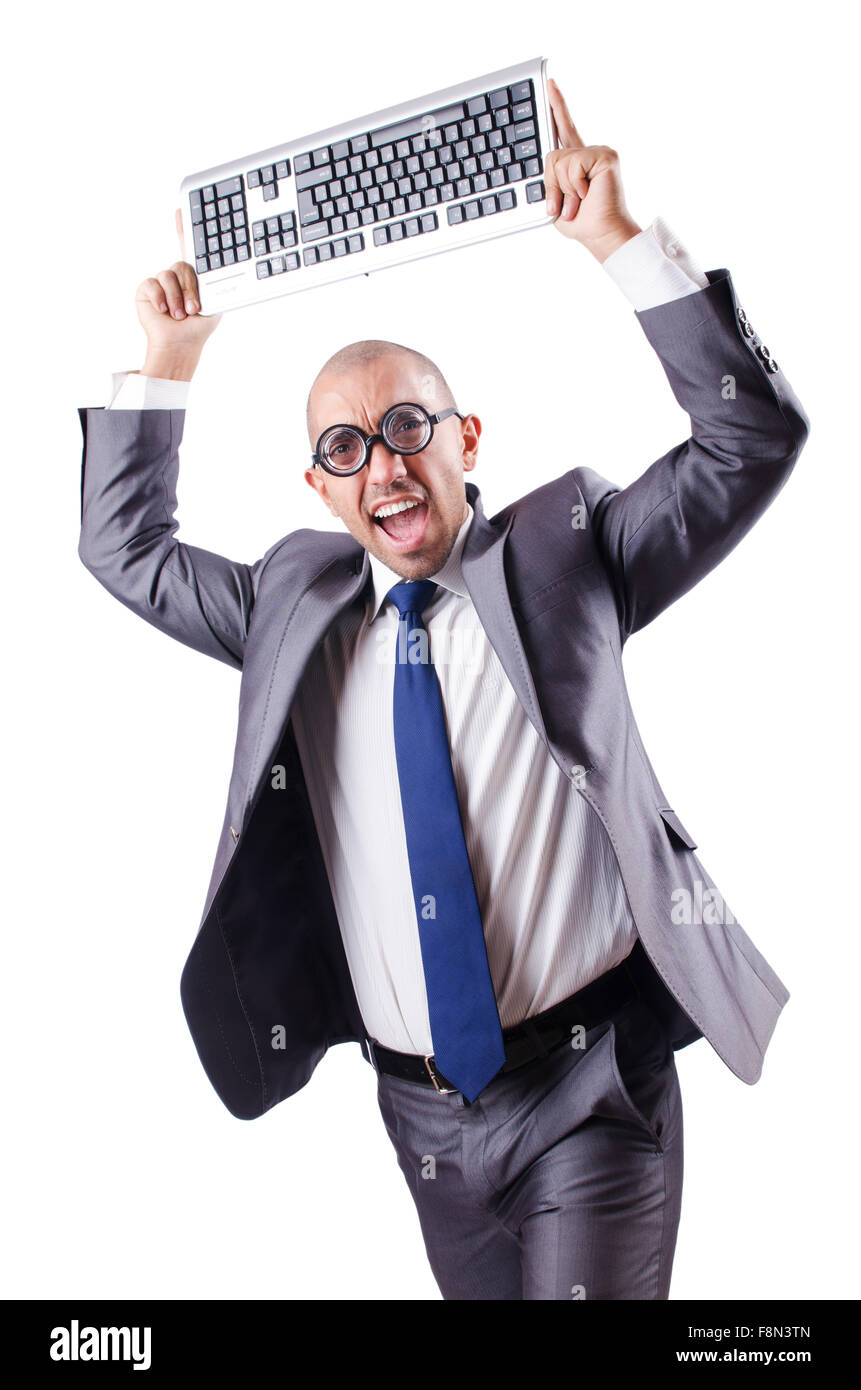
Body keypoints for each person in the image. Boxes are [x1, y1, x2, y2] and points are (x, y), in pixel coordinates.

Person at [77, 80, 810, 1299]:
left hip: (593, 1089)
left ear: (470, 438)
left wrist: (622, 245)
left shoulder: (571, 553)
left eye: (411, 425)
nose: (386, 462)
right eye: (346, 447)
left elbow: (752, 443)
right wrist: (166, 366)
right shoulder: (287, 610)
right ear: (320, 489)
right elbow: (124, 551)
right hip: (420, 1121)